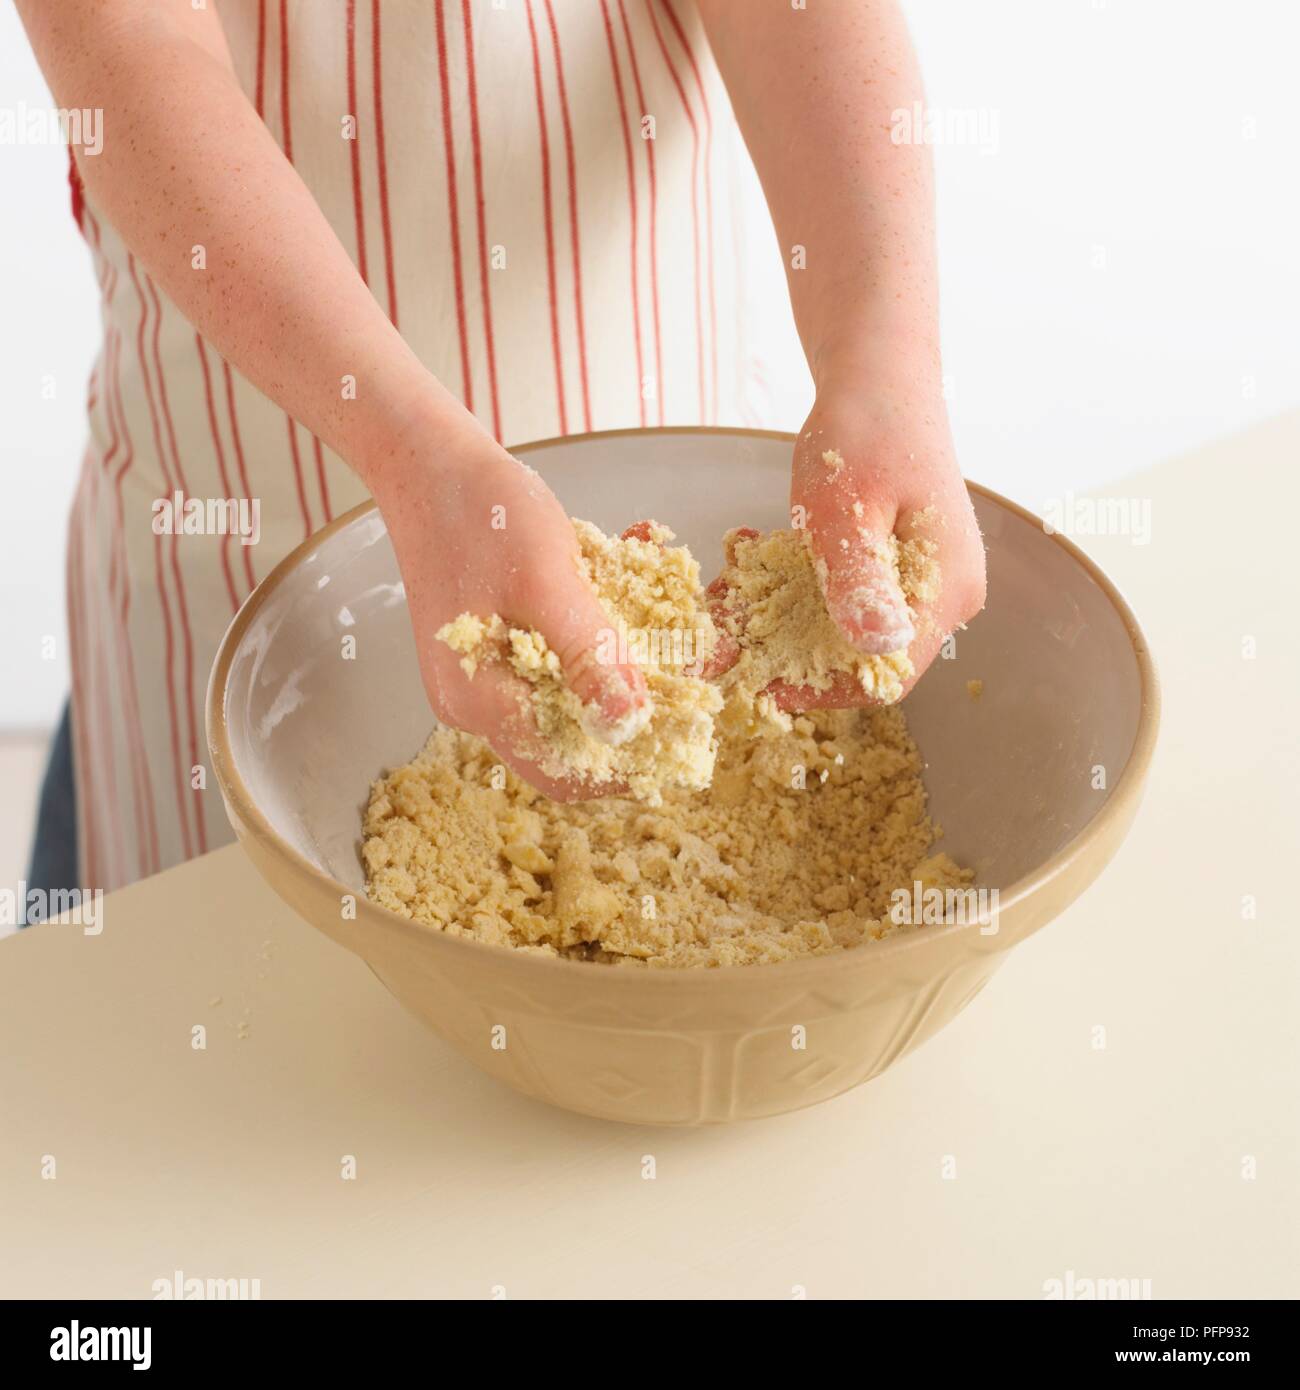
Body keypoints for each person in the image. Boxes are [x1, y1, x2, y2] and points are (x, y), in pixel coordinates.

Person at [18, 0, 985, 898]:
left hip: (675, 533)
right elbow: (132, 49)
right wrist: (409, 455)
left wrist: (882, 352)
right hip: (244, 525)